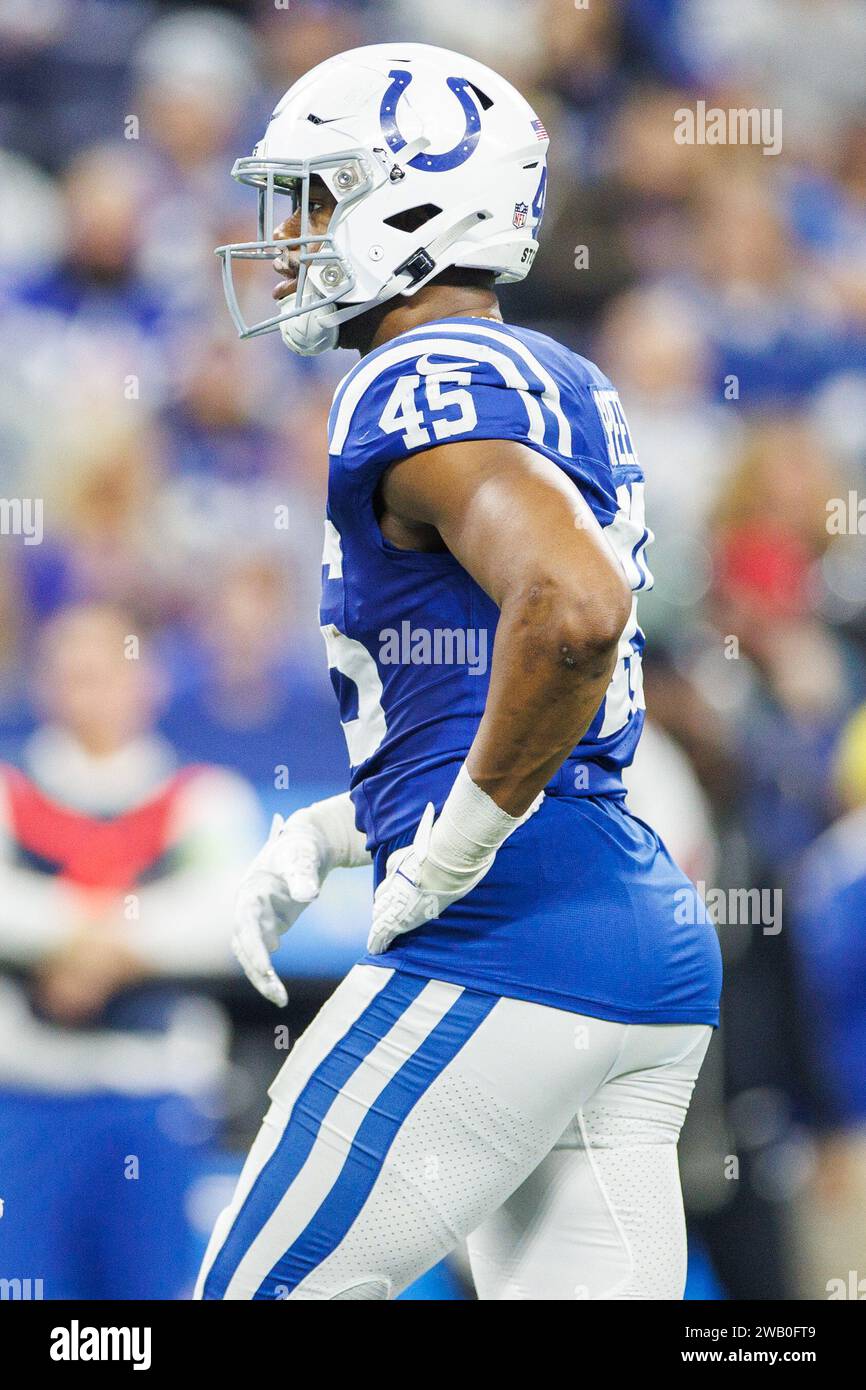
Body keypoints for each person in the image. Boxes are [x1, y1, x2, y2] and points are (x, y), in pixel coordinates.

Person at [197, 42, 722, 1302]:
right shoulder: (559, 376)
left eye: (318, 197)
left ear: (416, 200)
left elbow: (576, 612)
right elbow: (538, 681)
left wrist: (453, 847)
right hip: (637, 941)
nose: (286, 237)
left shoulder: (413, 381)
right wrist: (345, 827)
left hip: (508, 939)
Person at [0, 603, 262, 1298]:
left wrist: (86, 943)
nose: (93, 690)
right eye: (73, 673)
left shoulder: (204, 800)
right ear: (45, 684)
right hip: (25, 1099)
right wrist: (112, 934)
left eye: (111, 671)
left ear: (150, 682)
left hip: (153, 1100)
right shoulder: (10, 794)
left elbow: (226, 917)